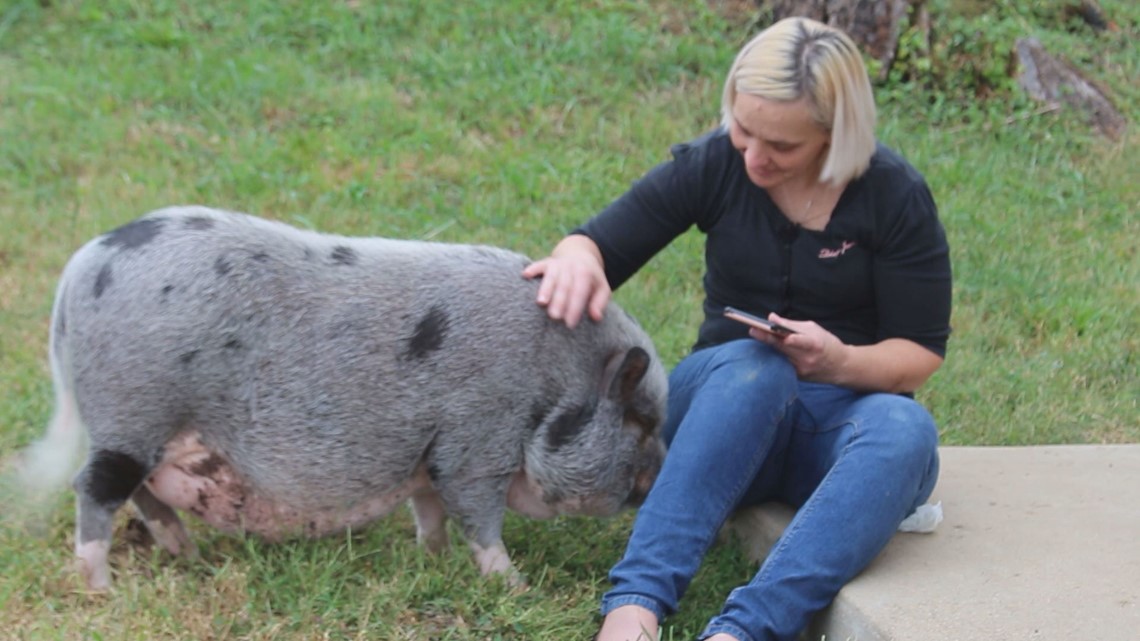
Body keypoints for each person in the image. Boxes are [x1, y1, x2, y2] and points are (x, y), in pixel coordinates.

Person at [521, 16, 952, 641]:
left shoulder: (894, 196)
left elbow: (919, 353)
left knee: (906, 429)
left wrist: (837, 363)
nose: (754, 155)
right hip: (721, 407)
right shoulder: (717, 163)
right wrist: (577, 260)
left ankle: (744, 631)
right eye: (743, 128)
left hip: (831, 427)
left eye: (782, 146)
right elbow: (597, 243)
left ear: (837, 134)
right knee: (758, 370)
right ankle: (633, 610)